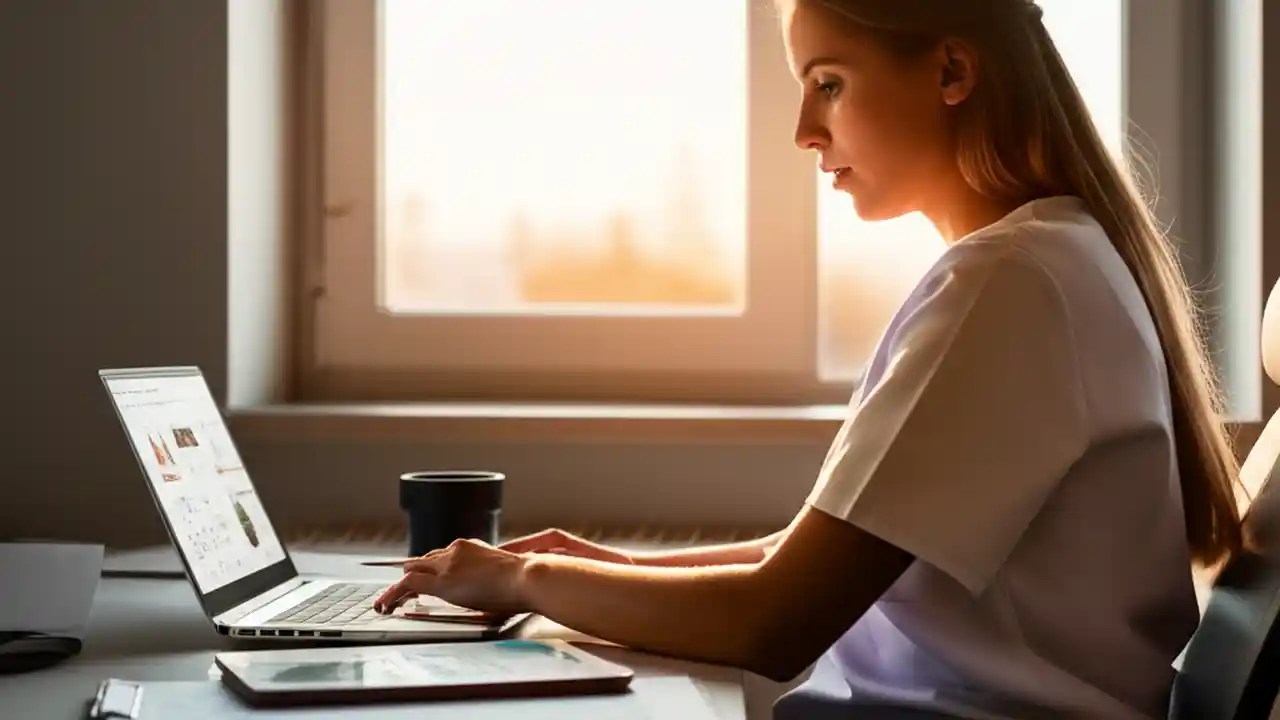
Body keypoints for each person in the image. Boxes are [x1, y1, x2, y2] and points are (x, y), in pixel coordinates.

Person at [374, 0, 1245, 716]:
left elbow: (775, 623)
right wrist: (596, 569)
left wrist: (528, 578)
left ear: (951, 71)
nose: (802, 130)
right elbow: (810, 559)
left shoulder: (1012, 285)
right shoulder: (1049, 260)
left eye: (828, 83)